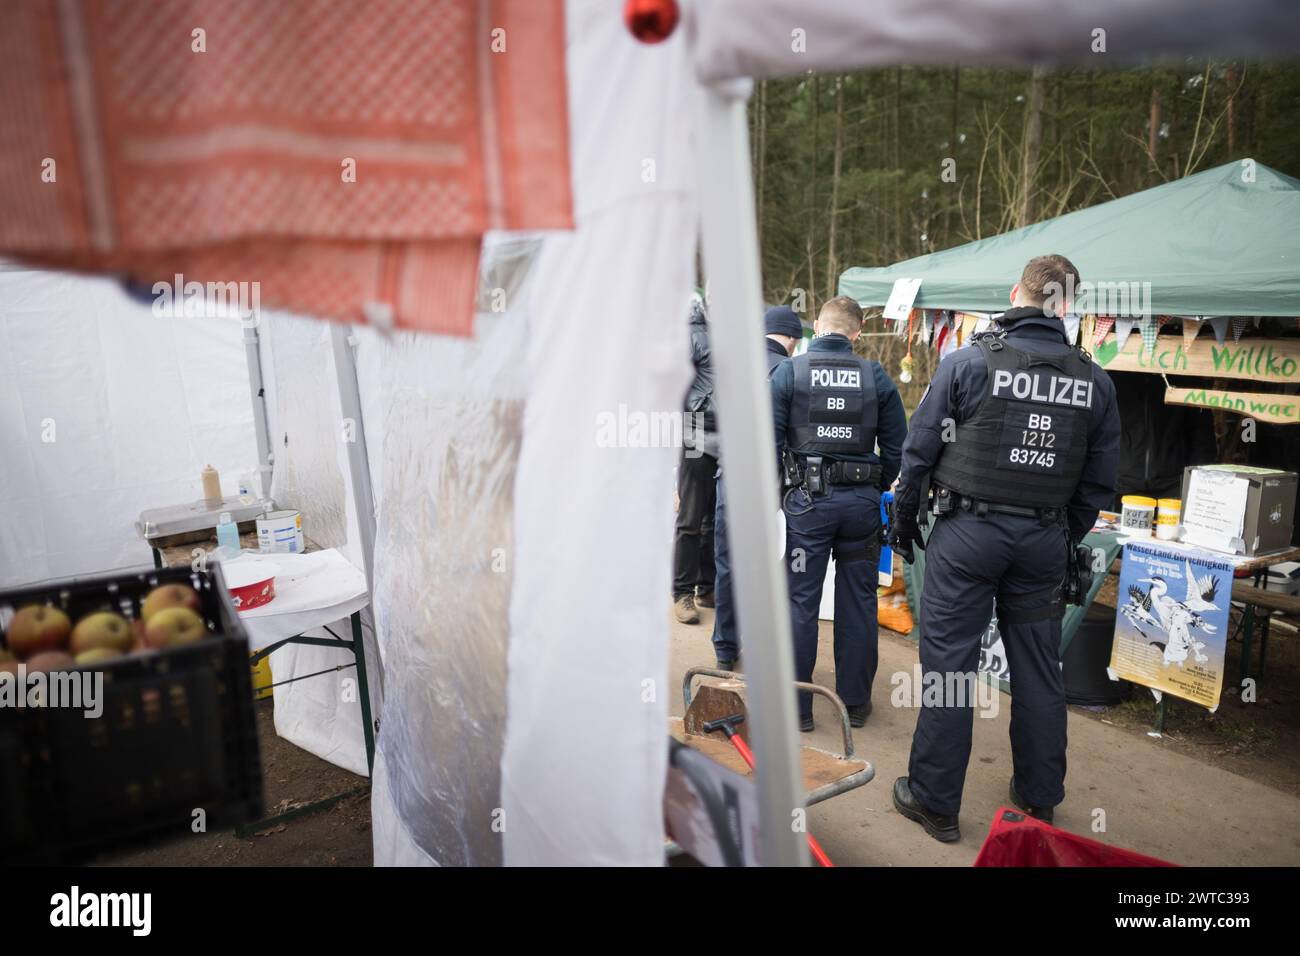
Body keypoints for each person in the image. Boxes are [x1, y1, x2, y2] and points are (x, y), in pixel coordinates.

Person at [889, 254, 1120, 843]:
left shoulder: (967, 362)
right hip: (1043, 541)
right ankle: (1038, 797)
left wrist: (905, 519)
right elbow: (1098, 483)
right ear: (1067, 306)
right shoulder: (1094, 381)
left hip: (967, 537)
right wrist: (1061, 532)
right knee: (1040, 670)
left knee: (949, 669)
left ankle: (935, 801)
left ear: (1016, 294)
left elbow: (918, 453)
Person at [771, 296, 907, 732]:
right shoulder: (876, 376)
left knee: (800, 601)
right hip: (861, 507)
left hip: (806, 505)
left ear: (816, 326)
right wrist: (870, 484)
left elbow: (767, 442)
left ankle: (798, 708)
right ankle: (855, 702)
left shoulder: (789, 371)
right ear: (858, 332)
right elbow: (898, 450)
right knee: (858, 602)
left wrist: (781, 493)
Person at [711, 306, 804, 670]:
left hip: (731, 477)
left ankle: (725, 648)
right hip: (774, 483)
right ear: (792, 340)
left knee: (728, 565)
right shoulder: (791, 370)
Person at [673, 297, 719, 625]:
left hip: (729, 439)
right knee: (690, 519)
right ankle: (682, 593)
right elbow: (674, 388)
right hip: (695, 435)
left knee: (716, 519)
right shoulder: (690, 332)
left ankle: (708, 587)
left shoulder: (741, 331)